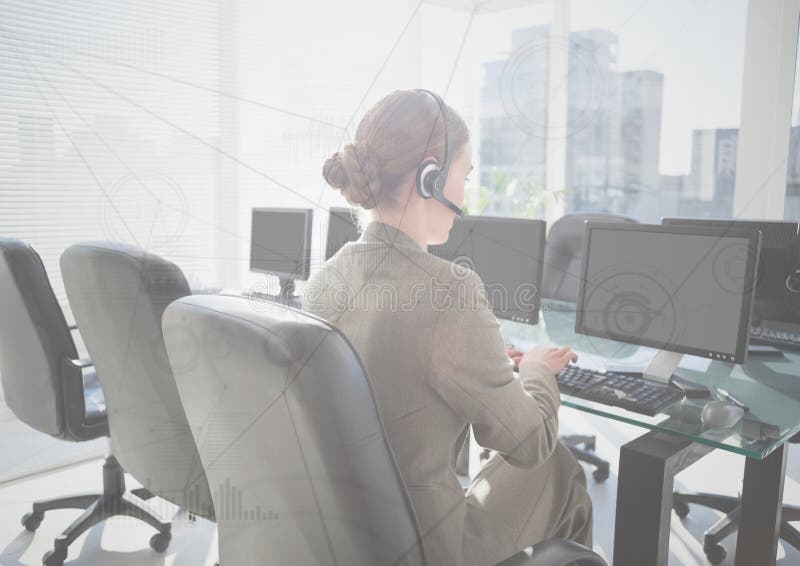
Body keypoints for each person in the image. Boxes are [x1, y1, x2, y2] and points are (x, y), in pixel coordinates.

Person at [302, 89, 592, 566]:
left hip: (344, 539)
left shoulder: (323, 279)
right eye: (464, 175)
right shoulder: (451, 291)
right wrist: (538, 370)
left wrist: (486, 361)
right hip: (424, 547)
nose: (465, 193)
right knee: (557, 465)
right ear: (430, 177)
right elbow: (529, 443)